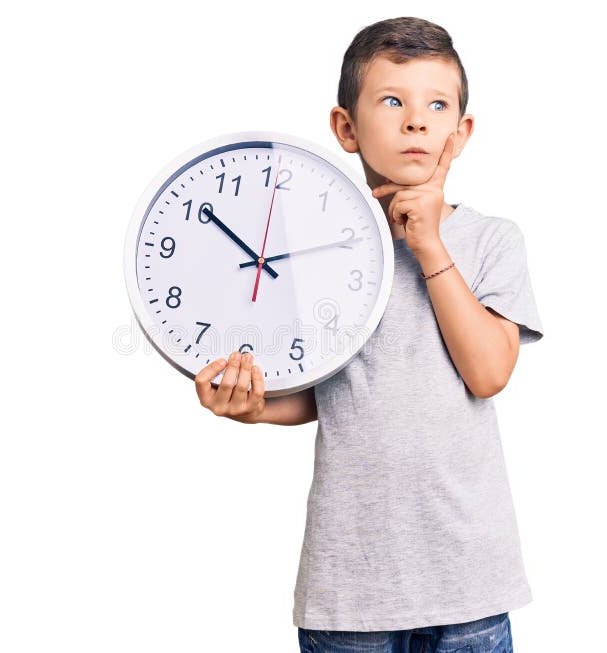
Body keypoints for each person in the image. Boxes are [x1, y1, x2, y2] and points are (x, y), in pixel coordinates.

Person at [194, 16, 543, 653]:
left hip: (470, 580)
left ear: (460, 133)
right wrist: (255, 408)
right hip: (349, 587)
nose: (416, 121)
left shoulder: (492, 240)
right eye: (392, 101)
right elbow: (329, 392)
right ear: (346, 128)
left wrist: (429, 244)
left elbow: (488, 373)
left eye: (437, 105)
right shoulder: (306, 253)